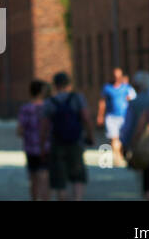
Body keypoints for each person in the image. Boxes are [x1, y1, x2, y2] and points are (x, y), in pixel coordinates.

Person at [40, 71, 94, 200]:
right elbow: (86, 118)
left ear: (55, 85)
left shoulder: (49, 102)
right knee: (77, 175)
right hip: (75, 141)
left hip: (57, 143)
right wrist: (90, 135)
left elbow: (44, 127)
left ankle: (62, 197)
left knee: (59, 180)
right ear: (68, 84)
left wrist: (42, 146)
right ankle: (77, 198)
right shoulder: (77, 98)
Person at [17, 79, 50, 200]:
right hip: (46, 148)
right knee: (45, 180)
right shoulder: (48, 107)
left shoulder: (25, 109)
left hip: (30, 148)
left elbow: (20, 131)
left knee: (33, 179)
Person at [97, 67, 135, 166]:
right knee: (114, 138)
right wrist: (100, 116)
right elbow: (102, 102)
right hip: (111, 116)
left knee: (123, 139)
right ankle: (117, 157)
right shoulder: (107, 88)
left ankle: (122, 154)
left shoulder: (126, 87)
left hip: (124, 116)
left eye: (118, 76)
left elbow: (133, 99)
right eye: (115, 76)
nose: (116, 78)